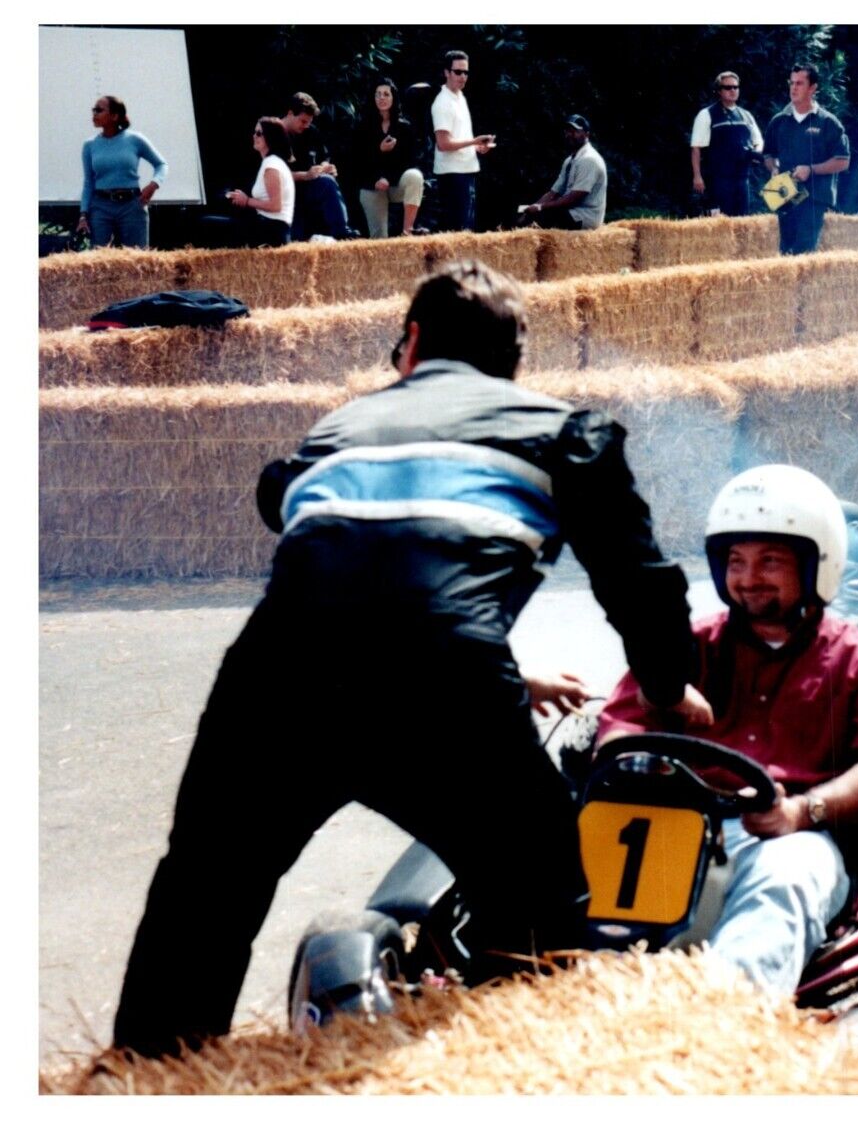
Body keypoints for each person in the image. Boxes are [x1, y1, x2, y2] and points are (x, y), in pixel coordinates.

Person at [111, 258, 705, 1060]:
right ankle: (525, 1077)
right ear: (514, 362)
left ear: (412, 342)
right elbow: (640, 583)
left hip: (274, 678)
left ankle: (146, 1078)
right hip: (446, 684)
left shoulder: (334, 431)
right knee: (541, 909)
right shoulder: (563, 431)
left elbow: (307, 521)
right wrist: (669, 689)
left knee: (202, 897)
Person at [596, 464, 858, 994]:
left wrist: (802, 810)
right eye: (736, 561)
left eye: (770, 561)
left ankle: (727, 1022)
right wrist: (636, 764)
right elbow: (617, 729)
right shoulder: (682, 648)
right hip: (672, 826)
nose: (748, 579)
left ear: (818, 564)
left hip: (792, 833)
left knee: (785, 878)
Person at [763, 63, 851, 256]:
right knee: (785, 252)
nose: (793, 88)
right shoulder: (778, 121)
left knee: (803, 253)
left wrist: (811, 169)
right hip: (784, 193)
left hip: (814, 197)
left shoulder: (828, 122)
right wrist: (773, 167)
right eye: (792, 83)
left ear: (813, 88)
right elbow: (768, 154)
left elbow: (843, 161)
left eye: (800, 83)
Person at [77, 94, 167, 249]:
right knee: (99, 261)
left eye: (99, 110)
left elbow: (161, 164)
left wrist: (153, 185)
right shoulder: (89, 145)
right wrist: (83, 215)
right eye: (93, 110)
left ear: (114, 116)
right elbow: (88, 182)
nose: (94, 114)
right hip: (100, 207)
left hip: (132, 206)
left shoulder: (135, 139)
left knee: (136, 260)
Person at [432, 50, 496, 232]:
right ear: (446, 73)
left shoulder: (460, 98)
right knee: (458, 235)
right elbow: (443, 144)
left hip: (465, 173)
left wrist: (477, 146)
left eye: (466, 72)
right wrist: (473, 141)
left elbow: (458, 140)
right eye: (458, 72)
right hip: (453, 176)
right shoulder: (442, 102)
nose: (463, 77)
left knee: (466, 234)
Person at [354, 78, 426, 238]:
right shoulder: (362, 127)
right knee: (380, 238)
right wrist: (379, 151)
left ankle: (407, 232)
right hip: (371, 186)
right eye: (378, 94)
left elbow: (410, 161)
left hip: (395, 184)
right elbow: (357, 163)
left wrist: (389, 178)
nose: (381, 98)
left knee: (415, 176)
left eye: (386, 94)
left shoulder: (404, 127)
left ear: (393, 97)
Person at [281, 92, 359, 241]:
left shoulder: (311, 132)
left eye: (309, 122)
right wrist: (305, 175)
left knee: (327, 182)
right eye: (303, 121)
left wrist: (326, 167)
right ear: (290, 113)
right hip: (281, 193)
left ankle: (342, 232)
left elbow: (324, 157)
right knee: (293, 241)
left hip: (308, 189)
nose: (306, 126)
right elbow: (272, 176)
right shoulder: (271, 132)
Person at [690, 71, 764, 217]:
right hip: (718, 180)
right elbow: (696, 148)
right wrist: (697, 176)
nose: (733, 91)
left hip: (742, 179)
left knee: (742, 223)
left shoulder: (746, 115)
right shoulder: (706, 114)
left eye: (736, 87)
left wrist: (756, 153)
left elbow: (759, 141)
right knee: (719, 224)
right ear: (719, 90)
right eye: (728, 87)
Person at [517, 115, 608, 230]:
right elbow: (553, 193)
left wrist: (541, 207)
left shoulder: (589, 159)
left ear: (586, 134)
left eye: (575, 131)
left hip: (585, 217)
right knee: (525, 215)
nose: (570, 134)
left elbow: (574, 198)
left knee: (541, 219)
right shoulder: (570, 161)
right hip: (571, 212)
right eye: (568, 131)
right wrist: (532, 208)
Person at [225, 116, 296, 248]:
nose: (254, 136)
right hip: (270, 228)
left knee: (206, 224)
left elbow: (275, 206)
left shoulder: (271, 165)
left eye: (259, 133)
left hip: (272, 231)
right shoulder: (272, 162)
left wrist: (246, 201)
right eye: (254, 132)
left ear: (270, 137)